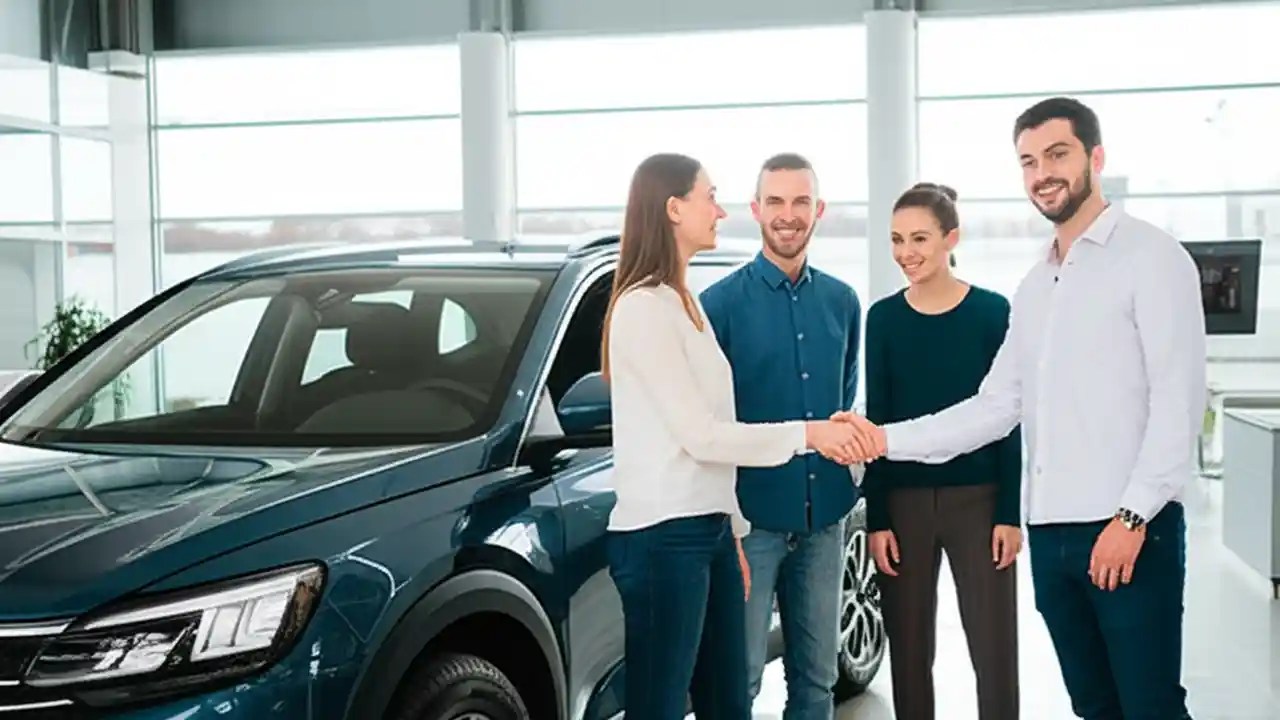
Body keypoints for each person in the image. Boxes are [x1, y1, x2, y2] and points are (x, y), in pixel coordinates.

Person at [840, 96, 1205, 720]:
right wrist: (879, 440)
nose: (1043, 173)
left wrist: (1133, 517)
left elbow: (1179, 399)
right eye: (1029, 161)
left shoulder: (1151, 257)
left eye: (1057, 154)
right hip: (1055, 535)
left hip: (1125, 531)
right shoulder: (1037, 286)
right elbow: (991, 408)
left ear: (1095, 157)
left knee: (1149, 707)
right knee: (1095, 706)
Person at [601, 152, 870, 720]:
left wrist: (731, 529)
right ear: (674, 208)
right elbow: (703, 435)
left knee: (728, 705)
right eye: (709, 197)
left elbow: (715, 433)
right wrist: (808, 436)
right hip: (663, 537)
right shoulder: (646, 309)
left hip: (712, 530)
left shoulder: (682, 305)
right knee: (665, 705)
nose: (718, 210)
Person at [700, 152, 862, 720]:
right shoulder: (716, 306)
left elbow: (841, 407)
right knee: (736, 681)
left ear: (818, 210)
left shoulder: (843, 302)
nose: (787, 215)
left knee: (816, 683)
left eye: (800, 202)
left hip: (826, 522)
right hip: (749, 525)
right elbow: (710, 429)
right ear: (755, 210)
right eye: (775, 202)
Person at [862, 181, 1022, 720]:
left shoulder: (992, 312)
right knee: (908, 651)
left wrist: (1009, 512)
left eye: (920, 239)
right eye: (896, 239)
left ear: (951, 238)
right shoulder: (882, 319)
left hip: (979, 501)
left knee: (994, 649)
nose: (906, 252)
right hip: (904, 507)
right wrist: (878, 518)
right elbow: (878, 421)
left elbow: (1008, 419)